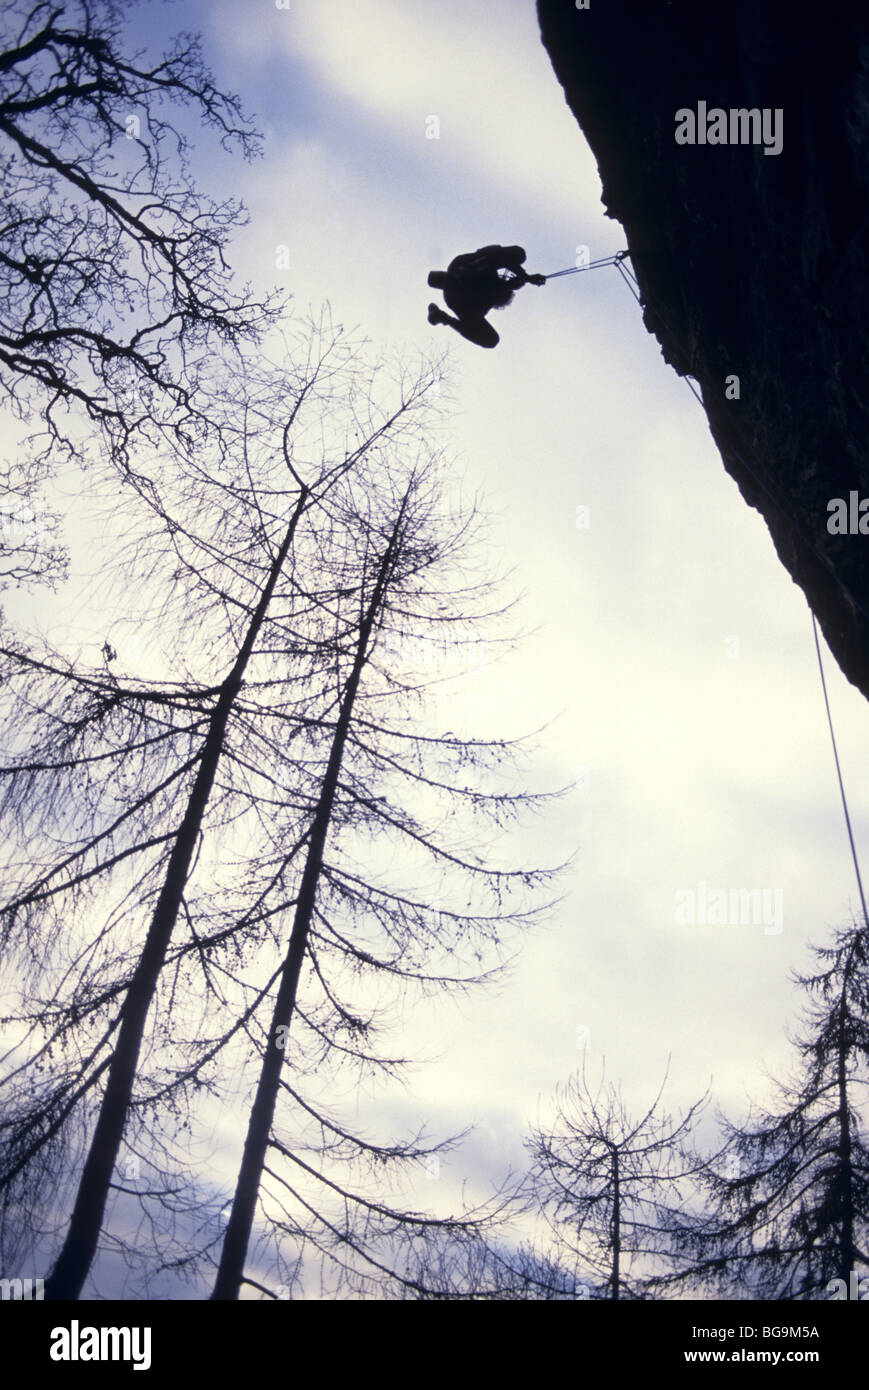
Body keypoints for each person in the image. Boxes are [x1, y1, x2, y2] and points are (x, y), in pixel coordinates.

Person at [427, 244, 546, 348]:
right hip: (459, 282)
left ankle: (443, 314)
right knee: (515, 255)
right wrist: (526, 277)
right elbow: (499, 258)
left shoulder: (481, 304)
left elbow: (498, 259)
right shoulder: (488, 286)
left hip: (458, 289)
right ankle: (443, 314)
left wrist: (525, 278)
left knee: (491, 340)